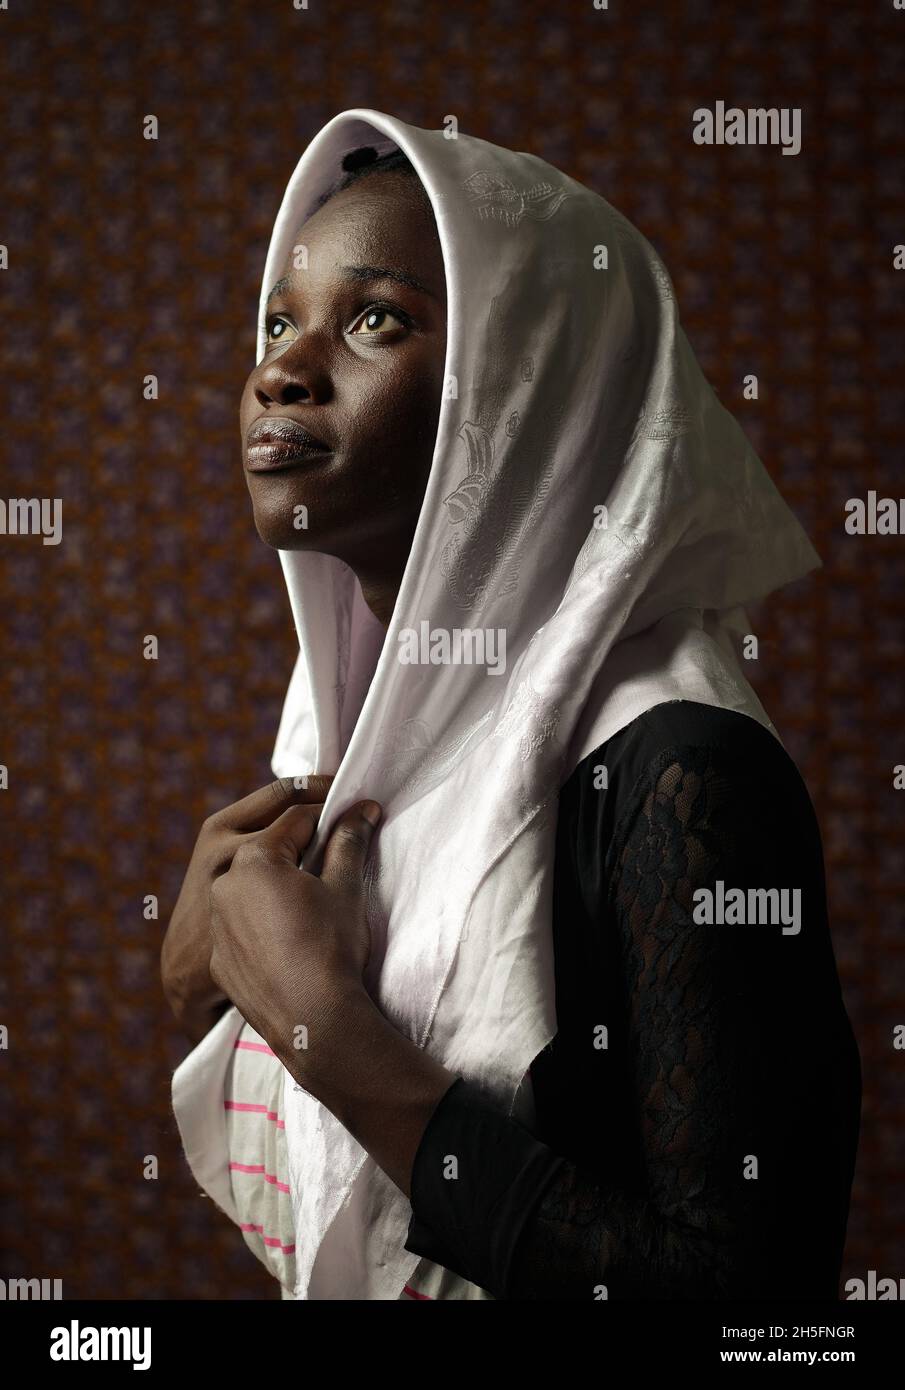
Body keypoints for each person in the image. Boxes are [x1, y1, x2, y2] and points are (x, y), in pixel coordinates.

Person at [162, 110, 861, 1301]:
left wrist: (330, 1036)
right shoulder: (364, 717)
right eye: (279, 319)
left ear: (527, 384)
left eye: (373, 318)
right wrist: (204, 975)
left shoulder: (682, 773)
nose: (277, 367)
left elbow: (752, 1308)